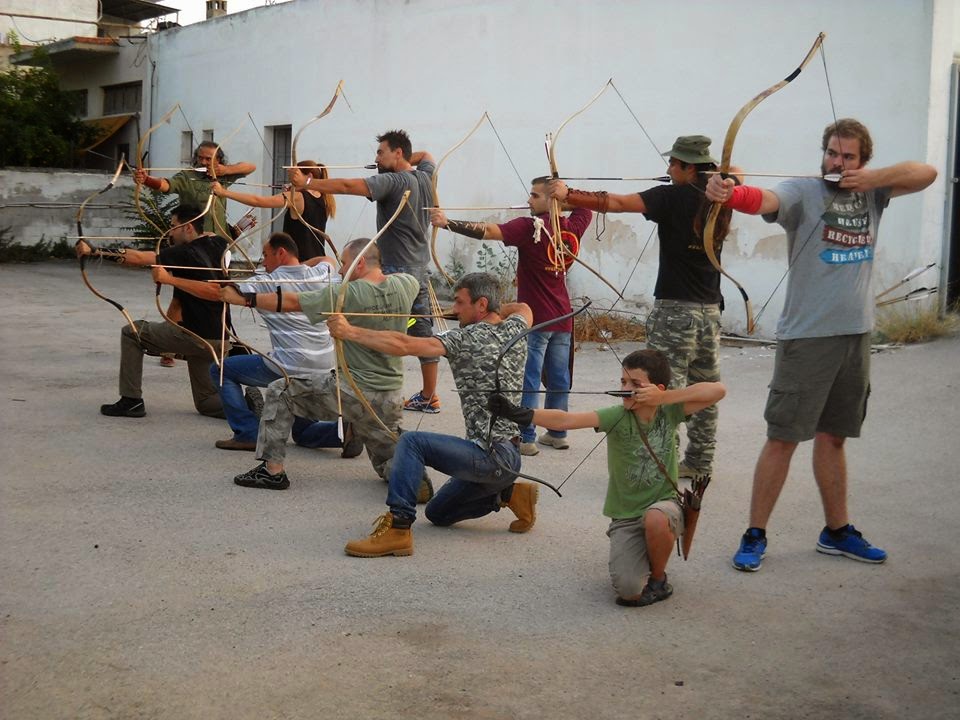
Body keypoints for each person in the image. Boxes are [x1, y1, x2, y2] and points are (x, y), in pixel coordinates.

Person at [704, 118, 937, 571]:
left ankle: (836, 530)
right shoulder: (804, 191)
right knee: (784, 438)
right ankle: (755, 534)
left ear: (863, 160)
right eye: (832, 152)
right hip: (807, 338)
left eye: (848, 156)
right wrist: (730, 193)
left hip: (856, 333)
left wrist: (875, 178)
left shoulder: (875, 190)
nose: (838, 162)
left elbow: (925, 173)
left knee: (834, 438)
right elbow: (765, 199)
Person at [549, 136, 738, 482]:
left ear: (690, 166)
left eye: (674, 164)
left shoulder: (672, 196)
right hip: (710, 309)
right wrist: (725, 178)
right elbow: (735, 174)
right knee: (705, 386)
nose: (668, 169)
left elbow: (618, 203)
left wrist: (568, 195)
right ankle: (699, 461)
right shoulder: (725, 195)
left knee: (662, 391)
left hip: (675, 310)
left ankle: (660, 463)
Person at [489, 349, 725, 606]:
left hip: (663, 506)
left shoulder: (670, 411)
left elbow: (717, 390)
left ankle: (658, 579)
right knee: (629, 591)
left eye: (635, 384)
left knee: (656, 518)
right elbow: (567, 420)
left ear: (656, 389)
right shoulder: (617, 416)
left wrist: (664, 397)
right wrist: (519, 413)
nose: (626, 389)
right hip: (626, 516)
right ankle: (645, 550)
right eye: (623, 382)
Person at [327, 272, 539, 558]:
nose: (454, 309)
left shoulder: (463, 338)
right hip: (508, 457)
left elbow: (404, 344)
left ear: (481, 304)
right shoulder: (515, 327)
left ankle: (399, 529)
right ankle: (509, 494)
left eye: (460, 302)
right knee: (438, 513)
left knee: (412, 442)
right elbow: (525, 308)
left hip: (491, 456)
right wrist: (498, 312)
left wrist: (350, 332)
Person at [219, 238, 421, 490]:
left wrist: (245, 299)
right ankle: (411, 478)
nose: (339, 271)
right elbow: (401, 276)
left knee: (279, 391)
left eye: (344, 264)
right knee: (387, 463)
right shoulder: (407, 284)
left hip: (352, 391)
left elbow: (291, 302)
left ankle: (272, 472)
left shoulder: (346, 294)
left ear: (359, 265)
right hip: (390, 396)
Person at [430, 177, 592, 457]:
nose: (529, 200)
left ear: (550, 200)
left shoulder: (530, 228)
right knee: (558, 378)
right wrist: (567, 195)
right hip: (562, 315)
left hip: (533, 318)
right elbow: (586, 208)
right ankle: (557, 432)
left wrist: (448, 223)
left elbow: (488, 231)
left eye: (535, 195)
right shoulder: (573, 226)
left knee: (527, 378)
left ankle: (526, 436)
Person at [288, 129, 442, 414]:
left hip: (395, 272)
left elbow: (349, 186)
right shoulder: (424, 175)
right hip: (419, 270)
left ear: (397, 153)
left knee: (374, 329)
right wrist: (405, 158)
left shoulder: (393, 181)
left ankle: (371, 392)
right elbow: (428, 156)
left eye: (381, 152)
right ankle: (430, 395)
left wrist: (308, 181)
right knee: (422, 332)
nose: (376, 158)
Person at [76, 204, 230, 418]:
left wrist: (94, 251)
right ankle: (247, 408)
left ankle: (131, 401)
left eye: (174, 226)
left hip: (196, 337)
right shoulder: (219, 243)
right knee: (206, 402)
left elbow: (140, 258)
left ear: (188, 228)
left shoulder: (183, 253)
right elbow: (212, 236)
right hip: (221, 339)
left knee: (132, 332)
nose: (170, 232)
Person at [212, 160, 337, 260]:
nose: (292, 181)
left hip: (298, 263)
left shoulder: (298, 197)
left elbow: (258, 201)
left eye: (295, 177)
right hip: (317, 261)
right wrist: (293, 191)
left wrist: (223, 192)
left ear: (309, 176)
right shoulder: (324, 198)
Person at [133, 140, 255, 236]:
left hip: (220, 239)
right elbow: (167, 185)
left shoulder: (223, 176)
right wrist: (146, 180)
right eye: (200, 157)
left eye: (208, 159)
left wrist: (227, 170)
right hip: (195, 238)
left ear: (218, 160)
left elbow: (251, 167)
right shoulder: (187, 176)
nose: (203, 162)